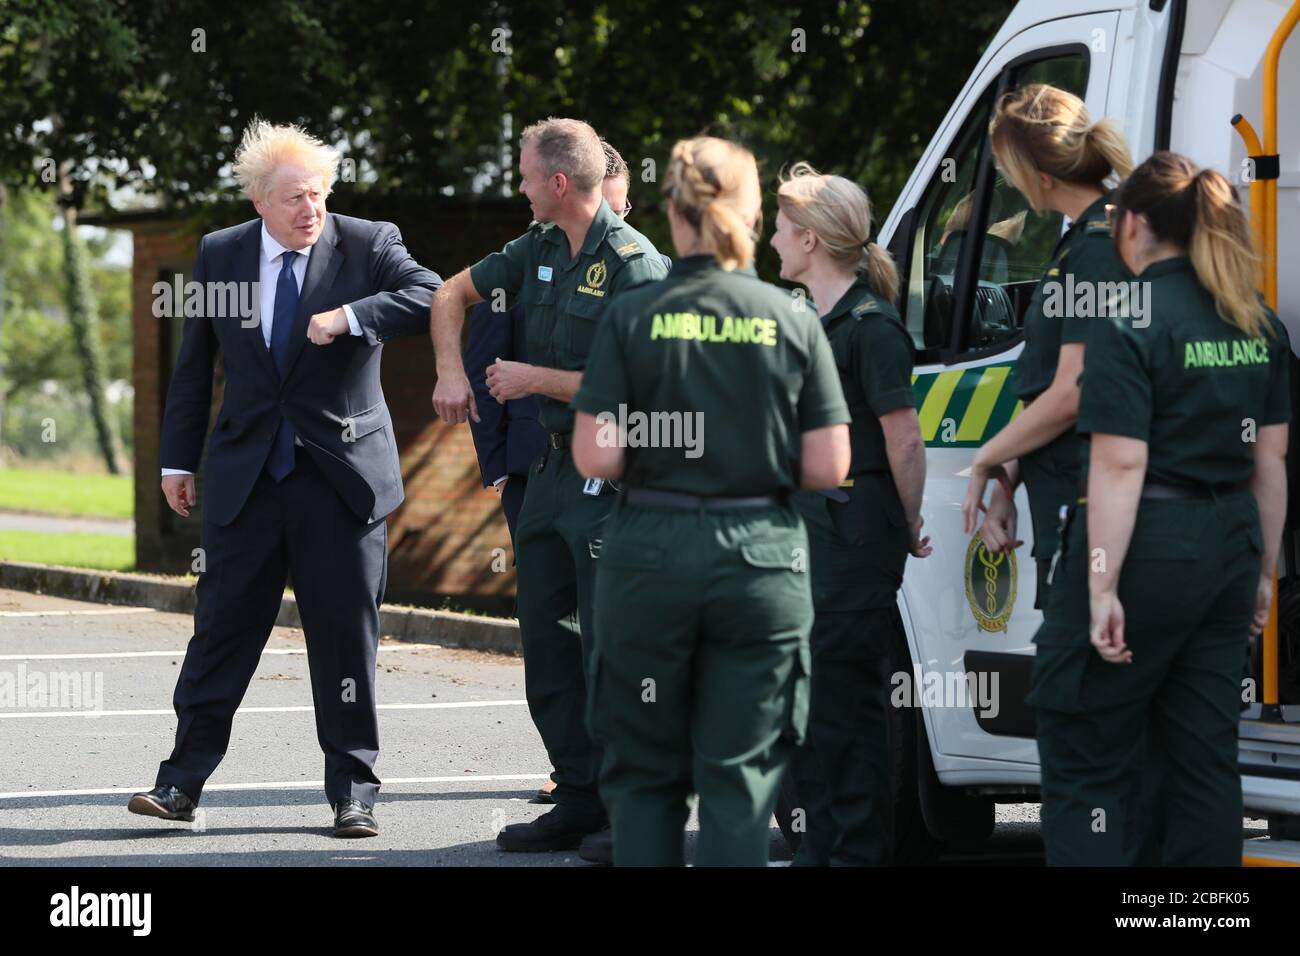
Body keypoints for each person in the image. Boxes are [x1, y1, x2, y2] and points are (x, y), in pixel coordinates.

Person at [131, 118, 441, 837]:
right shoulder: (222, 254)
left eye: (320, 195)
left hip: (341, 482)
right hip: (246, 480)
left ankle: (354, 793)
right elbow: (193, 366)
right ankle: (179, 785)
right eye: (296, 198)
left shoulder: (369, 243)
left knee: (343, 639)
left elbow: (430, 295)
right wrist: (177, 461)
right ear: (259, 202)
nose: (312, 211)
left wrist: (353, 317)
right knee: (220, 633)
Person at [571, 136, 852, 866]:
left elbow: (595, 453)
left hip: (649, 559)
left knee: (644, 779)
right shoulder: (791, 317)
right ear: (754, 215)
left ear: (671, 211)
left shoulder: (633, 314)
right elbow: (830, 464)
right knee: (742, 779)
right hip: (760, 563)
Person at [1029, 151, 1290, 865]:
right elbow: (1269, 461)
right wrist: (1264, 573)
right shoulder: (1256, 322)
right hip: (1228, 544)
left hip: (1148, 544)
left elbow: (1120, 462)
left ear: (1135, 223)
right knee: (1204, 759)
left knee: (1087, 750)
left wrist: (1102, 584)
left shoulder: (1130, 318)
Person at [430, 118, 669, 851]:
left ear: (559, 182)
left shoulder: (636, 264)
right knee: (548, 641)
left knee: (611, 650)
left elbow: (651, 388)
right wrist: (447, 371)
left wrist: (540, 380)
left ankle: (634, 815)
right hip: (550, 475)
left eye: (528, 175)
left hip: (614, 473)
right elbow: (448, 295)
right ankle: (579, 795)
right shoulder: (534, 247)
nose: (522, 186)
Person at [770, 163, 931, 866]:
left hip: (855, 532)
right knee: (808, 703)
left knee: (847, 706)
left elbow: (903, 436)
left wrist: (910, 520)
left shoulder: (871, 327)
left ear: (808, 239)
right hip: (809, 531)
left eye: (781, 226)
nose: (771, 237)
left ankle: (857, 851)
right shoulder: (806, 318)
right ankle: (823, 844)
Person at [960, 84, 1134, 616]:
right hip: (1071, 501)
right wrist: (1009, 482)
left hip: (1092, 514)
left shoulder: (1098, 245)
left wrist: (987, 458)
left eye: (1008, 168)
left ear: (1040, 175)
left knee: (1075, 691)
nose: (1008, 181)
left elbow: (1073, 391)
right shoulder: (1085, 238)